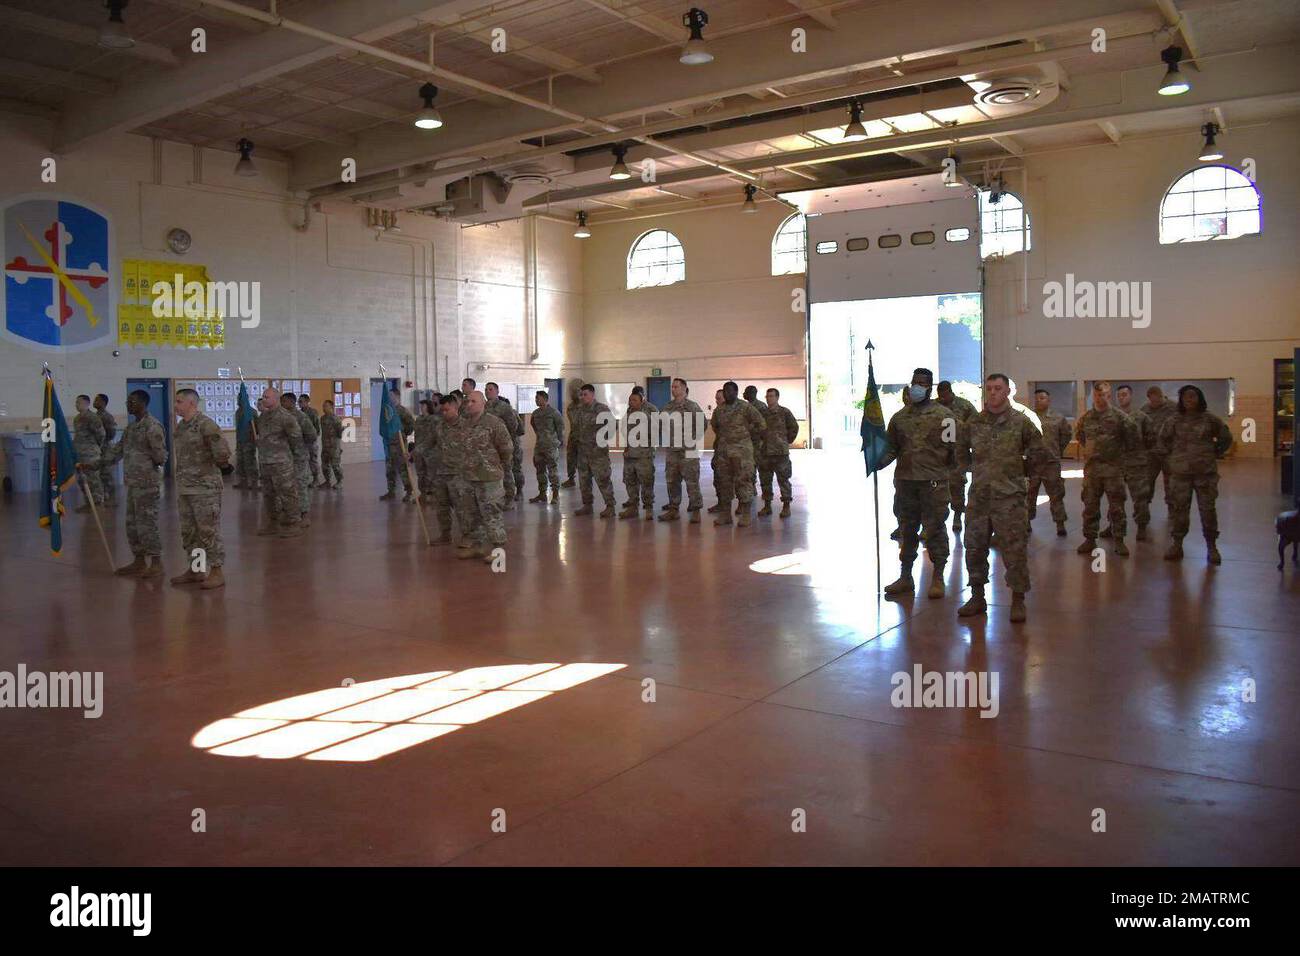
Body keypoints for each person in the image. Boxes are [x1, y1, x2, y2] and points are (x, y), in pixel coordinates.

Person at [955, 374, 1047, 622]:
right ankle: (977, 596)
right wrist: (972, 471)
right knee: (974, 548)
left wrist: (1021, 478)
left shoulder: (1022, 422)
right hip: (980, 498)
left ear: (1008, 392)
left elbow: (1039, 454)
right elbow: (960, 452)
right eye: (989, 389)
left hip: (1010, 500)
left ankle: (1018, 600)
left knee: (1014, 549)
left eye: (998, 388)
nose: (993, 393)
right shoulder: (974, 423)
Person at [879, 368, 953, 597]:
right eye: (914, 383)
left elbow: (954, 451)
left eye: (922, 383)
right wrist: (878, 462)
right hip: (905, 483)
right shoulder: (899, 418)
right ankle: (905, 576)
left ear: (930, 388)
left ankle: (938, 577)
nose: (917, 387)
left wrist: (942, 474)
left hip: (933, 484)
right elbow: (891, 447)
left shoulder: (945, 416)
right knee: (906, 529)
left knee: (935, 530)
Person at [1158, 384, 1233, 564]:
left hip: (1204, 474)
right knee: (1179, 510)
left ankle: (1212, 546)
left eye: (1193, 397)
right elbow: (1162, 440)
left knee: (1208, 511)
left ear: (1199, 398)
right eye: (1185, 397)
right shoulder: (1173, 420)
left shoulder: (1209, 419)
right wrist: (1173, 459)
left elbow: (1226, 437)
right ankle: (1177, 544)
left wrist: (1214, 452)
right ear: (1181, 400)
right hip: (1180, 475)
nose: (1189, 400)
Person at [171, 387, 233, 589]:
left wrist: (209, 471)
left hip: (205, 489)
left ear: (191, 403)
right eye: (176, 401)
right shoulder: (181, 427)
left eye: (179, 401)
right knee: (191, 532)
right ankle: (197, 569)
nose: (176, 405)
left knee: (208, 531)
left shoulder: (206, 425)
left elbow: (223, 453)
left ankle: (216, 571)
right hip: (186, 488)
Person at [1074, 381, 1138, 557]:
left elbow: (1132, 439)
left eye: (1103, 395)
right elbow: (1080, 437)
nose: (1100, 398)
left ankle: (1119, 540)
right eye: (1096, 395)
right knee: (1090, 506)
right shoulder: (1086, 418)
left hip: (1113, 471)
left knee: (1117, 507)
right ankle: (1089, 539)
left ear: (1109, 396)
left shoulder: (1120, 418)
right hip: (1092, 471)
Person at [109, 389, 168, 578]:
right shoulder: (131, 428)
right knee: (132, 524)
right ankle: (139, 560)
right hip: (133, 484)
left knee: (147, 524)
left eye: (132, 401)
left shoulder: (153, 426)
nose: (129, 404)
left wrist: (146, 463)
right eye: (128, 401)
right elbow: (117, 451)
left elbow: (160, 457)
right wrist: (93, 464)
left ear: (143, 403)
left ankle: (157, 562)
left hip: (147, 484)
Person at [456, 390, 514, 563]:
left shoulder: (494, 423)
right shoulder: (464, 424)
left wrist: (497, 466)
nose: (469, 404)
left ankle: (498, 550)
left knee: (492, 515)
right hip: (469, 477)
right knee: (471, 514)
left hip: (489, 477)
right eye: (467, 401)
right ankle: (478, 546)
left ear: (483, 404)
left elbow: (506, 448)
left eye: (473, 401)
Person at [711, 381, 765, 527]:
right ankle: (726, 514)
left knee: (743, 481)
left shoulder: (746, 407)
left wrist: (746, 434)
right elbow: (715, 426)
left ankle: (746, 514)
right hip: (724, 453)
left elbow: (761, 423)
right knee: (724, 483)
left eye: (730, 391)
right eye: (725, 391)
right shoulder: (719, 410)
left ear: (736, 392)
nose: (727, 393)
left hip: (742, 453)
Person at [256, 386, 305, 538]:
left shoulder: (286, 417)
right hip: (265, 462)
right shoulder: (263, 417)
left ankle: (294, 523)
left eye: (267, 397)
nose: (263, 399)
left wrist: (297, 462)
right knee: (269, 495)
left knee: (288, 494)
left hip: (282, 463)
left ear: (276, 399)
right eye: (263, 397)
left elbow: (296, 440)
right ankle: (273, 522)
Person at [660, 377, 706, 523]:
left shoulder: (692, 406)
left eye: (676, 387)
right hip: (672, 451)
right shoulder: (667, 407)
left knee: (692, 481)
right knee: (672, 481)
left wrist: (691, 439)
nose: (673, 389)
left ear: (685, 389)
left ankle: (696, 510)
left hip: (689, 450)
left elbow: (702, 424)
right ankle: (674, 510)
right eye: (672, 387)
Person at [1111, 384, 1154, 540]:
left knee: (1140, 497)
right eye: (1119, 395)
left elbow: (1151, 438)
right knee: (1114, 498)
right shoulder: (1111, 416)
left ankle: (1141, 526)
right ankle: (1113, 525)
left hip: (1136, 464)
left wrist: (1140, 454)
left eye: (1125, 394)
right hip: (1116, 464)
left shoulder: (1141, 417)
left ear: (1131, 396)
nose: (1122, 397)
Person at [1027, 387, 1071, 536]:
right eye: (1037, 398)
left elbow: (1066, 435)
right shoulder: (1028, 417)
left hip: (1051, 463)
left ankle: (1060, 523)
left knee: (1056, 494)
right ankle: (1027, 522)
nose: (1039, 400)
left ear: (1049, 400)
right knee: (1029, 495)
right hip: (1032, 464)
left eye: (1042, 398)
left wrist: (1056, 450)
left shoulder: (1058, 418)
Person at [936, 381, 977, 533]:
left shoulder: (964, 406)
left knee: (957, 486)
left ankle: (957, 516)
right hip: (937, 456)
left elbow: (976, 426)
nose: (943, 398)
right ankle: (934, 522)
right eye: (940, 395)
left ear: (950, 392)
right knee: (934, 488)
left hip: (959, 455)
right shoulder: (934, 407)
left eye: (945, 394)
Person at [573, 384, 616, 517]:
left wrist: (602, 441)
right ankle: (587, 505)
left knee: (603, 479)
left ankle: (610, 506)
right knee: (584, 481)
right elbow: (576, 428)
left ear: (592, 394)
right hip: (583, 452)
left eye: (585, 394)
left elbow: (612, 426)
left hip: (598, 453)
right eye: (581, 394)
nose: (583, 397)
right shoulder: (580, 410)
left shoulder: (601, 409)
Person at [757, 387, 799, 518]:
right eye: (767, 396)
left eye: (771, 396)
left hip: (780, 453)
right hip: (765, 452)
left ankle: (786, 506)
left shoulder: (784, 412)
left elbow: (794, 427)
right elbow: (756, 427)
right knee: (765, 480)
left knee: (783, 480)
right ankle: (767, 506)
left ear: (777, 397)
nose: (769, 398)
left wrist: (786, 441)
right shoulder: (762, 413)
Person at [432, 394, 467, 545]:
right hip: (441, 472)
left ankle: (467, 536)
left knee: (462, 507)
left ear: (455, 407)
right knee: (442, 506)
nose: (444, 413)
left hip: (458, 473)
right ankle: (445, 535)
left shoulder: (466, 426)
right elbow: (429, 443)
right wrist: (413, 453)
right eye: (442, 411)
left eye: (447, 410)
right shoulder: (439, 426)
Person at [484, 383, 523, 507]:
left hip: (503, 445)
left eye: (490, 389)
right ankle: (495, 497)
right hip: (489, 446)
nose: (487, 391)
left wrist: (504, 440)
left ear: (497, 391)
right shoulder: (484, 407)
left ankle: (509, 498)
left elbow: (513, 426)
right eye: (486, 389)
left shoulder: (504, 407)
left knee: (506, 471)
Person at [620, 391, 656, 519]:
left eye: (634, 400)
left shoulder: (647, 416)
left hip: (643, 456)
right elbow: (625, 431)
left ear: (642, 402)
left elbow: (655, 432)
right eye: (630, 400)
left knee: (646, 482)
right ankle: (633, 507)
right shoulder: (628, 414)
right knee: (630, 482)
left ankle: (648, 509)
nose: (631, 402)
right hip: (630, 455)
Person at [281, 392, 314, 526]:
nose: (281, 404)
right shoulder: (281, 417)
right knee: (286, 485)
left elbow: (311, 434)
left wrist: (300, 445)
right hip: (284, 457)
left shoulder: (301, 417)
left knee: (300, 484)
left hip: (298, 456)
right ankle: (290, 512)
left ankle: (304, 513)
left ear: (290, 402)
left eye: (283, 401)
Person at [1141, 385, 1177, 507]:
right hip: (1151, 453)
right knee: (1147, 481)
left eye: (1158, 400)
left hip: (1169, 452)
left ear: (1162, 396)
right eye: (1152, 400)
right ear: (1149, 398)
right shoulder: (1145, 409)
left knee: (1171, 483)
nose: (1155, 403)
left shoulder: (1173, 407)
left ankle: (1172, 508)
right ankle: (1145, 506)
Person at [71, 394, 106, 513]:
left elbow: (101, 435)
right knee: (82, 479)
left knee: (93, 480)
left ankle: (98, 503)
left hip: (91, 454)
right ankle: (88, 503)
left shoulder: (92, 418)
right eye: (76, 403)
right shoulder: (77, 418)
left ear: (86, 403)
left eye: (78, 402)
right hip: (79, 454)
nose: (76, 405)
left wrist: (94, 447)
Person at [380, 387, 416, 502]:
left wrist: (404, 432)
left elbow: (411, 424)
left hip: (399, 444)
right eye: (388, 395)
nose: (389, 397)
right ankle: (391, 491)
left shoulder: (402, 410)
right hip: (389, 444)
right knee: (389, 469)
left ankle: (409, 491)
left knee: (402, 468)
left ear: (397, 396)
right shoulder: (388, 410)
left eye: (391, 395)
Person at [529, 390, 565, 504]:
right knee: (540, 470)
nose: (536, 400)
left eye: (538, 398)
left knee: (552, 470)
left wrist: (557, 441)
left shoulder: (554, 412)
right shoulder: (535, 413)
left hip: (551, 446)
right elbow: (534, 426)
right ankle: (542, 494)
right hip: (539, 446)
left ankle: (555, 495)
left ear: (545, 399)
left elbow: (560, 428)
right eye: (535, 398)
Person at [413, 397, 441, 505]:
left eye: (423, 406)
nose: (421, 408)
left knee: (431, 474)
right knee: (421, 474)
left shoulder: (435, 419)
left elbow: (436, 436)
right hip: (419, 451)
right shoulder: (419, 419)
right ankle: (422, 494)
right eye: (420, 406)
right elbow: (416, 434)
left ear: (428, 407)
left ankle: (432, 495)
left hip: (431, 452)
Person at [233, 388, 259, 491]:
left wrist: (255, 438)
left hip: (249, 441)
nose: (239, 401)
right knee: (240, 462)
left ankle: (254, 482)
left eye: (241, 399)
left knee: (250, 462)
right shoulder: (238, 412)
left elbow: (256, 427)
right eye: (238, 399)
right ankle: (242, 481)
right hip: (240, 440)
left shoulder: (251, 412)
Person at [743, 385, 765, 502]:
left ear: (752, 393)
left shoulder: (760, 406)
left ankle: (762, 490)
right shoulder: (745, 406)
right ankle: (751, 488)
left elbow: (763, 424)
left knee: (758, 466)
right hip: (747, 441)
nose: (743, 394)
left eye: (746, 392)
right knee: (748, 466)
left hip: (757, 442)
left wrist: (751, 430)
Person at [708, 388, 729, 514]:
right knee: (718, 479)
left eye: (719, 398)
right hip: (720, 450)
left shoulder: (739, 410)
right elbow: (715, 428)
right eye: (716, 398)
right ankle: (721, 503)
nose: (717, 401)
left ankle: (742, 506)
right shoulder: (717, 411)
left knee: (737, 480)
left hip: (735, 451)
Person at [93, 394, 117, 504]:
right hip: (96, 448)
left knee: (106, 474)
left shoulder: (107, 416)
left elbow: (112, 433)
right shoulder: (94, 416)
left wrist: (103, 441)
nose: (94, 402)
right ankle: (101, 498)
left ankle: (111, 498)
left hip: (105, 448)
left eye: (97, 400)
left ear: (103, 402)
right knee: (98, 474)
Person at [297, 394, 323, 487]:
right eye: (298, 402)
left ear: (307, 402)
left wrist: (313, 438)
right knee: (302, 461)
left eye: (301, 401)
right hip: (301, 441)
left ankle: (316, 479)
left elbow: (317, 428)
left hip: (311, 441)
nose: (299, 404)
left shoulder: (312, 412)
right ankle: (304, 479)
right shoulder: (298, 413)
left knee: (313, 460)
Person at [562, 377, 582, 488]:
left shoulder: (586, 406)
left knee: (584, 459)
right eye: (573, 392)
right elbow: (573, 421)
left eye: (577, 392)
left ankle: (586, 478)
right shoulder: (571, 407)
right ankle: (571, 478)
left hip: (584, 438)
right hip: (573, 436)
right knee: (570, 458)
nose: (573, 394)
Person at [319, 399, 344, 489]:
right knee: (325, 465)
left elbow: (339, 435)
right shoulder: (322, 418)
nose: (324, 408)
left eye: (326, 406)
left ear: (331, 407)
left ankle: (340, 481)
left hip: (334, 447)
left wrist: (341, 430)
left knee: (335, 466)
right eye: (323, 406)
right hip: (325, 446)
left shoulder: (336, 419)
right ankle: (327, 481)